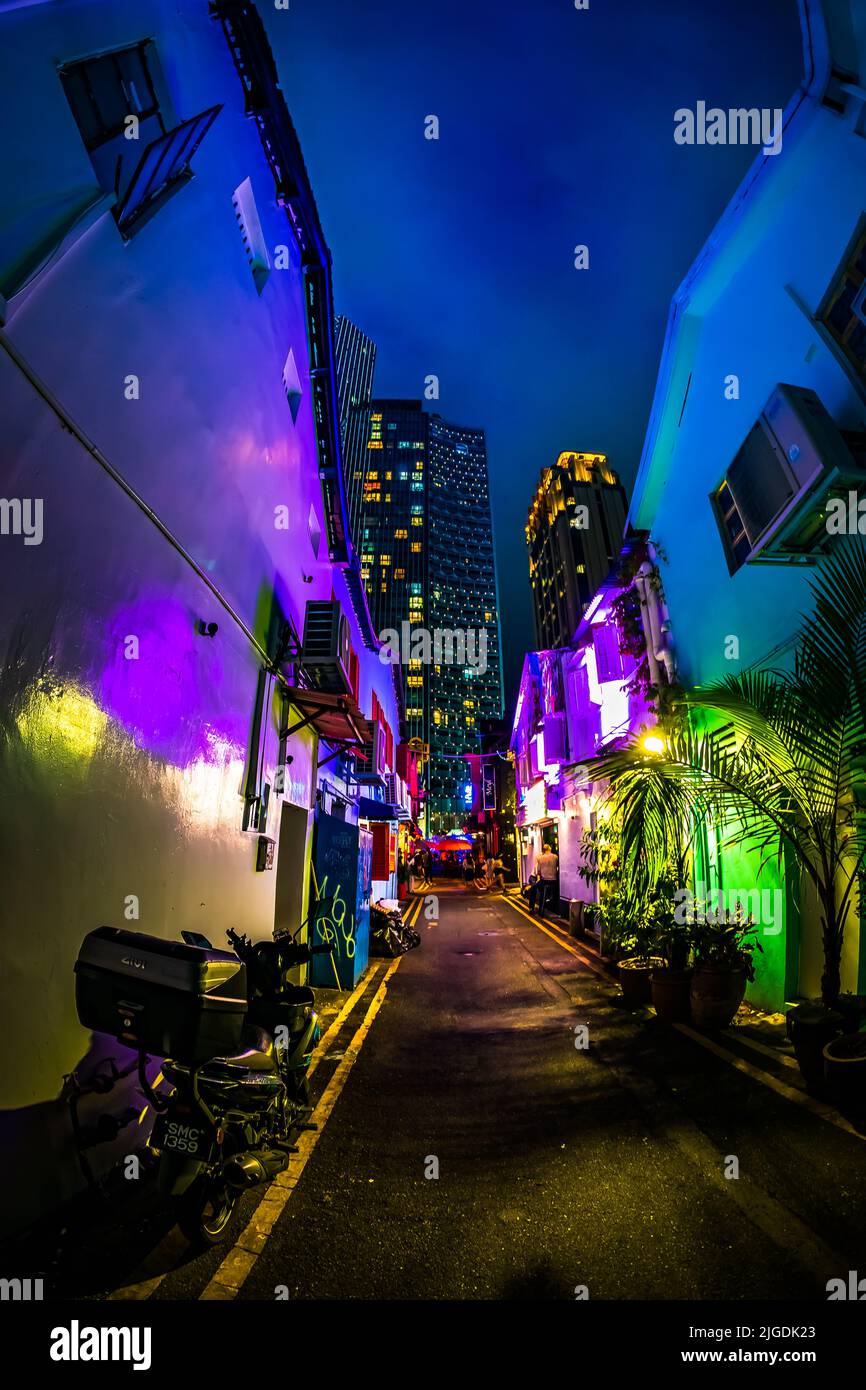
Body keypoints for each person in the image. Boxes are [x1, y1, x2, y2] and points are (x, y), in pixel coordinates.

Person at [534, 842, 559, 920]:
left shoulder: (540, 858)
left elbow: (538, 872)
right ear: (550, 849)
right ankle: (552, 903)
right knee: (554, 891)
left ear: (543, 850)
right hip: (554, 880)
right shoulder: (555, 857)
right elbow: (557, 867)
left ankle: (540, 911)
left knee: (537, 890)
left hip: (544, 880)